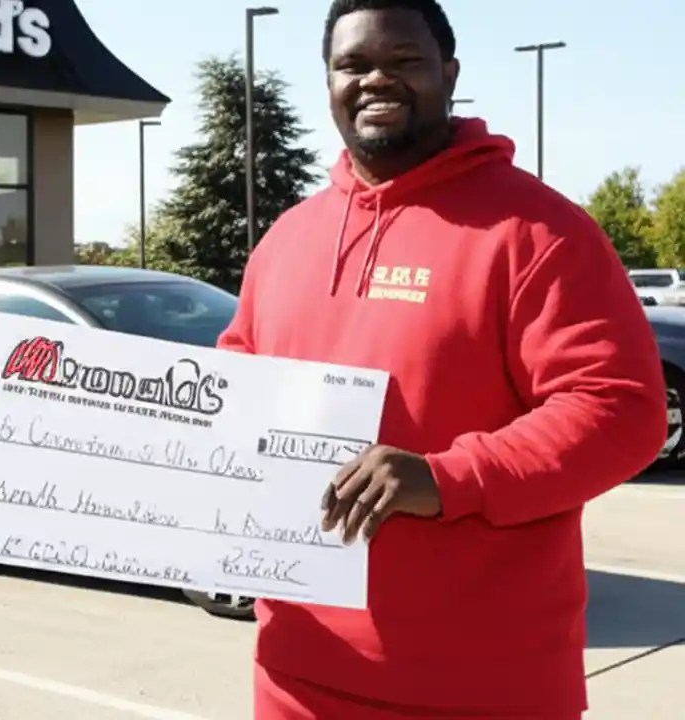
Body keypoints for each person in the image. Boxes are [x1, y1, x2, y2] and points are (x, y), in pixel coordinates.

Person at [217, 1, 667, 718]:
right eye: (354, 64)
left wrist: (446, 478)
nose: (376, 81)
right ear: (328, 81)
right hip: (296, 675)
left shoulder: (537, 232)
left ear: (449, 73)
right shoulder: (287, 241)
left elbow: (621, 409)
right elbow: (228, 395)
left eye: (404, 62)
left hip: (481, 690)